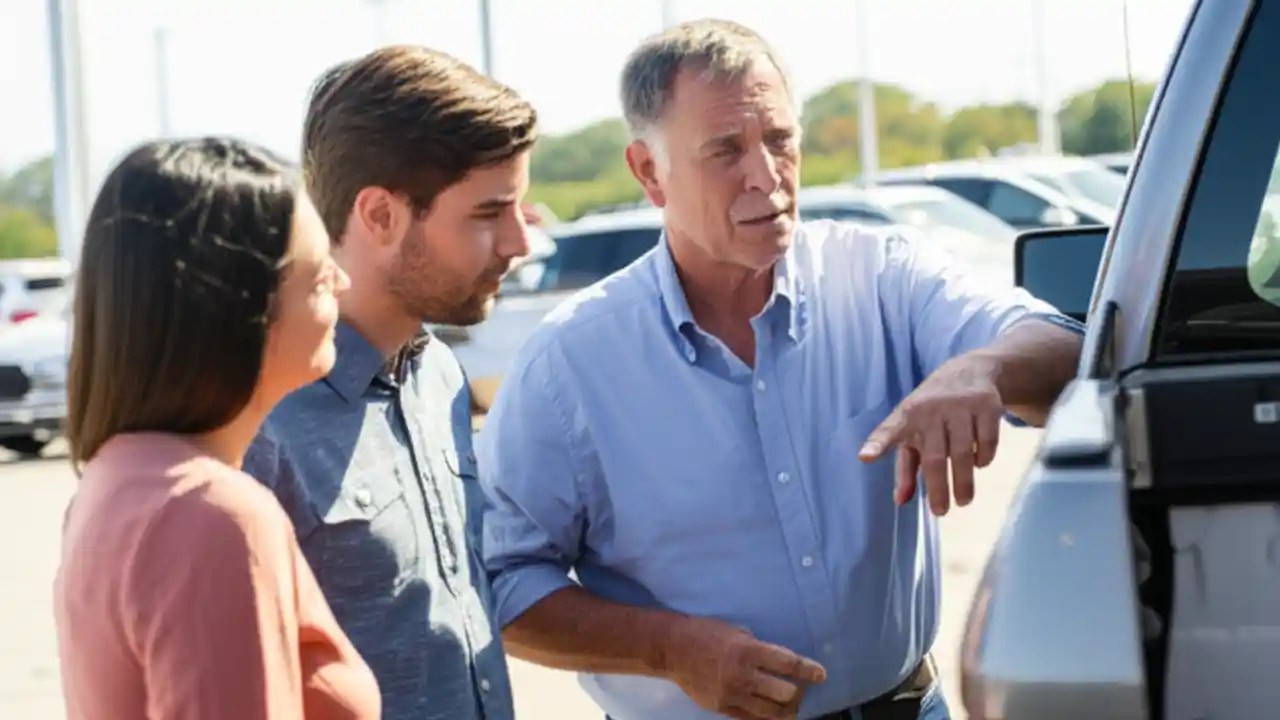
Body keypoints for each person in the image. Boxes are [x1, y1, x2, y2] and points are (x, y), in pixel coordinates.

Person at [477, 20, 1085, 720]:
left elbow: (1064, 348)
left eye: (780, 140)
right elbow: (504, 579)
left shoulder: (881, 277)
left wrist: (981, 369)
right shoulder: (569, 366)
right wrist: (668, 648)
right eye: (725, 150)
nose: (766, 175)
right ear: (649, 171)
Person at [242, 45, 536, 720]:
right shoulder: (260, 418)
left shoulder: (439, 377)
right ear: (379, 215)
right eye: (489, 214)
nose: (520, 242)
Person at [53, 137, 377, 719]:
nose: (344, 286)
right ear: (241, 310)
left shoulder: (121, 476)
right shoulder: (212, 512)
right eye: (321, 278)